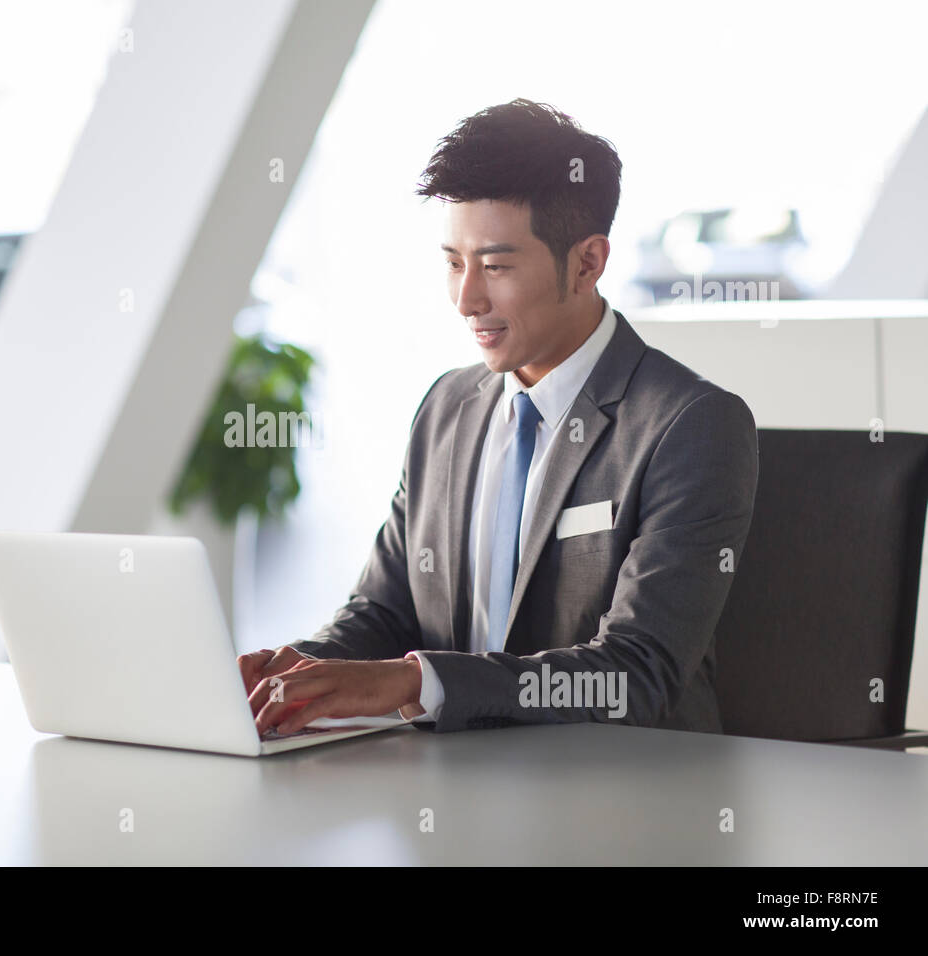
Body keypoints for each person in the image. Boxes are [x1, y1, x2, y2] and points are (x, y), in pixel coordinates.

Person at [240, 99, 758, 736]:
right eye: (454, 262)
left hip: (619, 804)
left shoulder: (691, 425)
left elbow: (635, 672)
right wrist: (294, 675)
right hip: (452, 793)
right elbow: (384, 611)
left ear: (588, 262)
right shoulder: (446, 409)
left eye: (496, 265)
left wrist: (414, 682)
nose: (467, 298)